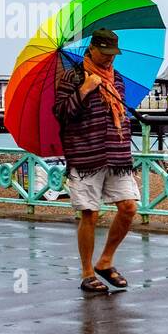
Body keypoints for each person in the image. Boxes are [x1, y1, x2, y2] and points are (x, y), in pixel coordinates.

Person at [52, 29, 139, 293]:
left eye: (114, 54)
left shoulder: (118, 80)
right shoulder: (73, 77)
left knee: (129, 208)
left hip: (118, 154)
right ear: (92, 49)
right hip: (85, 154)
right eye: (106, 54)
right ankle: (87, 272)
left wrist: (127, 151)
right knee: (90, 213)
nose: (110, 59)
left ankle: (105, 261)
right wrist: (85, 90)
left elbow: (121, 115)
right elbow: (62, 113)